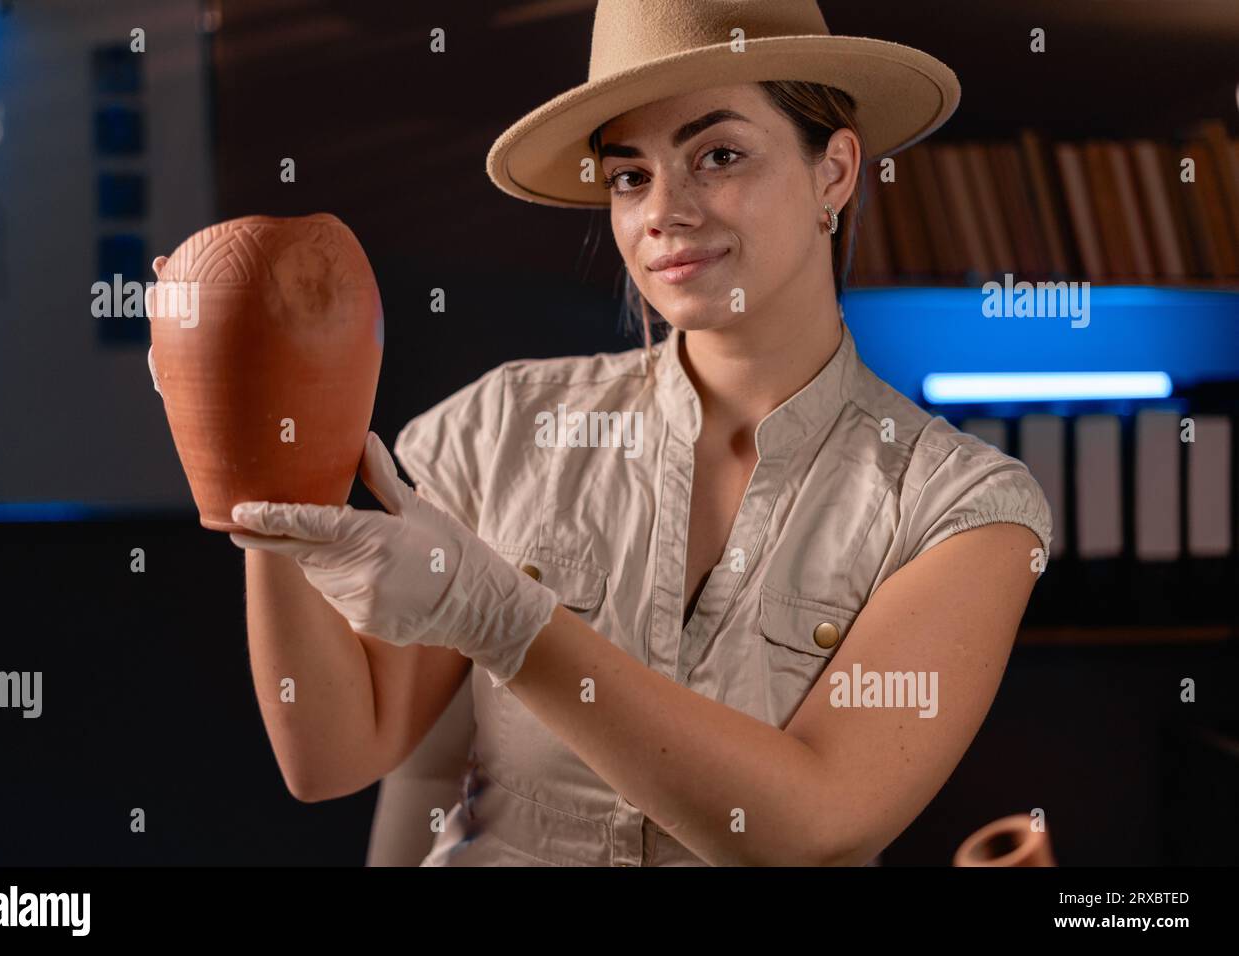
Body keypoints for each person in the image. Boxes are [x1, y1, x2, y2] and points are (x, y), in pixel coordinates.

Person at [163, 0, 1054, 866]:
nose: (663, 209)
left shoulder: (965, 509)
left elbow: (814, 828)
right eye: (630, 175)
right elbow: (329, 757)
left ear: (836, 171)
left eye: (718, 155)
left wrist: (502, 617)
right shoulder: (497, 428)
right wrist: (263, 463)